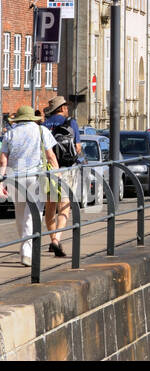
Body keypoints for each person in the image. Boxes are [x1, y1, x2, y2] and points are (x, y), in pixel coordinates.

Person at [0, 105, 58, 265]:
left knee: (20, 213)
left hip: (15, 178)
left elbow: (3, 159)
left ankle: (25, 246)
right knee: (32, 214)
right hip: (35, 177)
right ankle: (26, 251)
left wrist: (1, 180)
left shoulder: (10, 133)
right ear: (32, 118)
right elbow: (50, 155)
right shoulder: (42, 131)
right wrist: (57, 174)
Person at [42, 96, 81, 255]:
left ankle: (52, 240)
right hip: (67, 169)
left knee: (50, 206)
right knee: (64, 205)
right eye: (66, 106)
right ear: (62, 108)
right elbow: (77, 147)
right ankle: (57, 239)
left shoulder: (44, 125)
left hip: (49, 169)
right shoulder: (71, 122)